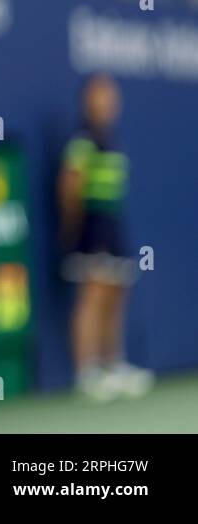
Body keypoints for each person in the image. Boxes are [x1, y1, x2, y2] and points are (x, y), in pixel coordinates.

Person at [59, 73, 154, 401]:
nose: (107, 102)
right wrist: (74, 225)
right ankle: (87, 371)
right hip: (91, 226)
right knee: (93, 296)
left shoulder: (111, 138)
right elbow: (70, 183)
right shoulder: (82, 138)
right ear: (88, 100)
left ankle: (114, 364)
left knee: (116, 293)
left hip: (114, 227)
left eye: (111, 96)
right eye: (101, 96)